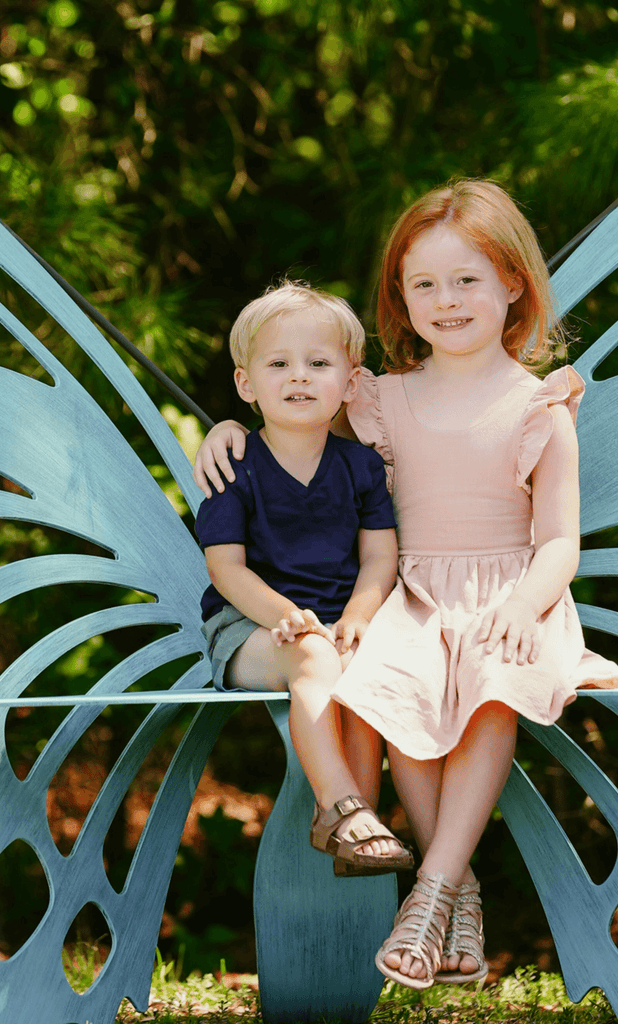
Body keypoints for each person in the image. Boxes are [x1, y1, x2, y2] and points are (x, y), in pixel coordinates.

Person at [193, 182, 618, 989]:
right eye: (422, 283)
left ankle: (430, 893)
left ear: (512, 283)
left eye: (467, 279)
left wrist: (523, 604)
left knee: (494, 683)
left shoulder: (543, 404)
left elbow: (560, 540)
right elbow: (295, 428)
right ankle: (456, 891)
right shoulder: (379, 399)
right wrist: (228, 429)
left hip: (514, 595)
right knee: (388, 684)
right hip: (410, 598)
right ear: (399, 295)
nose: (445, 300)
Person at [194, 281, 414, 877]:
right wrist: (285, 617)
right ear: (246, 384)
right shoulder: (233, 466)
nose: (299, 377)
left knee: (365, 661)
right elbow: (227, 569)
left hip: (336, 621)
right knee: (316, 658)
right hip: (248, 630)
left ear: (348, 382)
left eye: (318, 363)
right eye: (279, 364)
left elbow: (379, 560)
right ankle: (342, 810)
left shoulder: (361, 467)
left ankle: (356, 826)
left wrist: (360, 618)